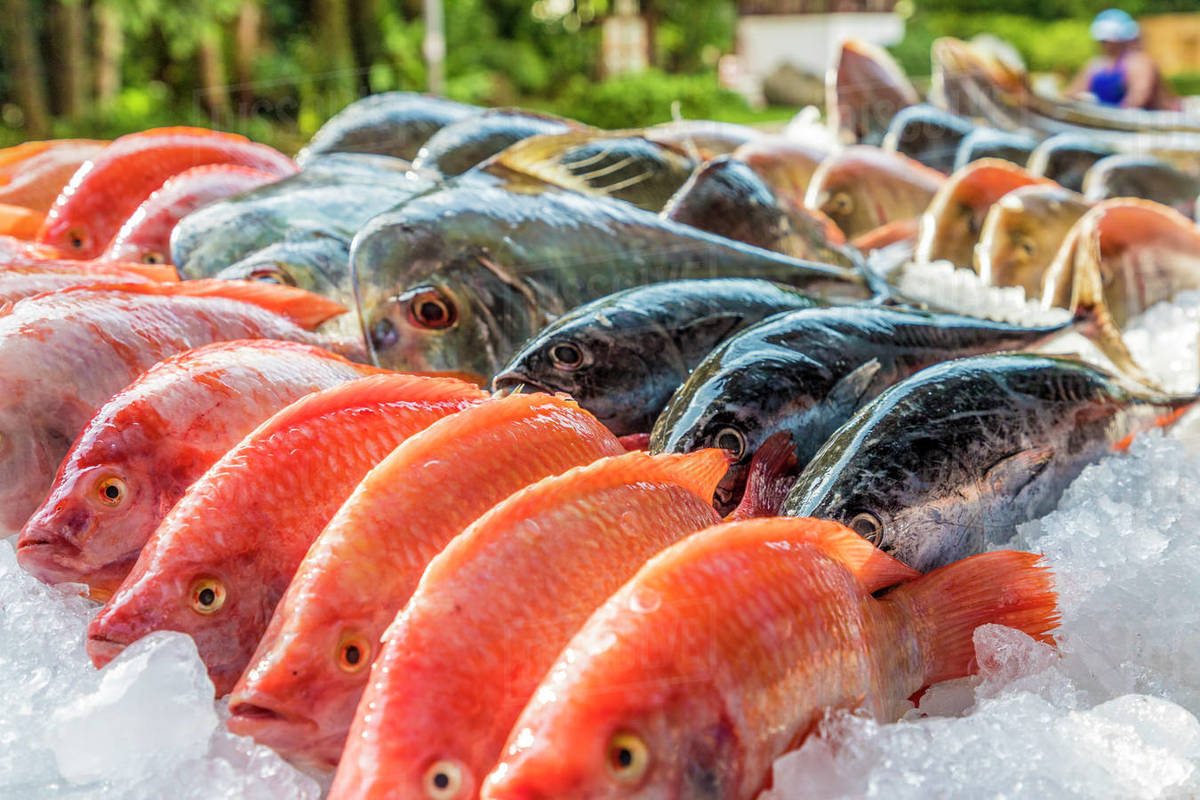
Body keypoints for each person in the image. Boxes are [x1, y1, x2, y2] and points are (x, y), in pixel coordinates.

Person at [1067, 8, 1179, 111]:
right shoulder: (1096, 64)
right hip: (1114, 120)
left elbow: (1138, 98)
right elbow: (1071, 94)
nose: (1104, 44)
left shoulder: (1139, 62)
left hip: (1159, 123)